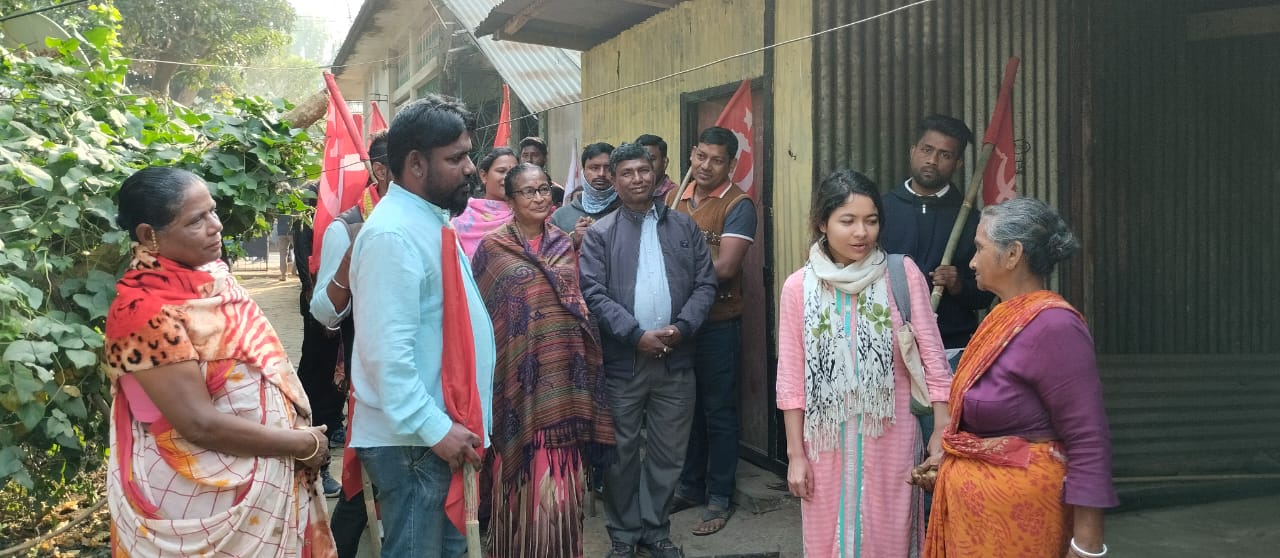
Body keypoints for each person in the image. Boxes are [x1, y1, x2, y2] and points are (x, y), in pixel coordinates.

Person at [104, 166, 337, 557]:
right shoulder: (142, 311)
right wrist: (300, 443)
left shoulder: (213, 279)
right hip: (195, 499)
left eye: (212, 211)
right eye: (196, 220)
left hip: (259, 480)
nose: (216, 226)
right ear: (148, 235)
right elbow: (198, 423)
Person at [925, 197, 1117, 558]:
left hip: (1022, 527)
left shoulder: (1054, 326)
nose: (971, 262)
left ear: (1013, 254)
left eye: (980, 248)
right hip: (980, 525)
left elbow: (1088, 439)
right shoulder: (1002, 318)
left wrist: (1087, 545)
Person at [347, 95, 496, 558]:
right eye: (456, 158)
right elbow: (386, 357)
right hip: (416, 443)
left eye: (469, 155)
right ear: (415, 164)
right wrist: (435, 429)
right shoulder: (392, 235)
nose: (470, 169)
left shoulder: (427, 221)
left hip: (433, 437)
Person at [776, 169, 952, 557]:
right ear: (822, 223)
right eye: (848, 221)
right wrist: (795, 455)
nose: (861, 233)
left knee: (889, 540)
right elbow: (790, 379)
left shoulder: (901, 275)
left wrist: (941, 427)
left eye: (871, 221)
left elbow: (934, 358)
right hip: (823, 444)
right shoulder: (798, 287)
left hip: (891, 436)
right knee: (828, 543)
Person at [472, 163, 618, 558]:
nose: (539, 198)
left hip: (564, 387)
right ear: (510, 199)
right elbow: (484, 319)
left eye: (543, 190)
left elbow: (577, 311)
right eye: (528, 191)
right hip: (514, 383)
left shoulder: (562, 245)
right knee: (520, 486)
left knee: (560, 491)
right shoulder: (492, 249)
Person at [579, 143, 718, 558]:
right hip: (625, 361)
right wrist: (634, 334)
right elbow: (593, 292)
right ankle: (623, 534)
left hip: (677, 360)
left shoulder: (684, 227)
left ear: (655, 173)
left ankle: (655, 530)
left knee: (668, 453)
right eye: (627, 173)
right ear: (614, 180)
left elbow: (706, 284)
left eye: (644, 170)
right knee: (621, 454)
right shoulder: (600, 234)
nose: (637, 178)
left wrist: (682, 328)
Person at [880, 115, 996, 518]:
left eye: (945, 155)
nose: (933, 160)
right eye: (927, 150)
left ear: (958, 163)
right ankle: (896, 527)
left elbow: (987, 293)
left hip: (951, 350)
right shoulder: (882, 209)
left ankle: (937, 528)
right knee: (893, 451)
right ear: (913, 151)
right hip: (890, 351)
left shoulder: (971, 218)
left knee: (943, 448)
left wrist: (961, 284)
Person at [665, 126, 756, 536]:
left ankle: (719, 496)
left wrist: (670, 276)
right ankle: (690, 486)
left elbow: (726, 267)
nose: (706, 166)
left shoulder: (739, 204)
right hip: (680, 326)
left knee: (718, 411)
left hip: (718, 323)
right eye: (701, 156)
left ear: (731, 164)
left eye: (717, 160)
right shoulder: (675, 198)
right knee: (687, 409)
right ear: (691, 155)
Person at [309, 130, 391, 558]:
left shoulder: (435, 217)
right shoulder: (349, 227)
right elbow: (323, 312)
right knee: (362, 477)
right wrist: (351, 257)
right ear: (381, 171)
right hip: (371, 376)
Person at [452, 147, 518, 256]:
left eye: (513, 172)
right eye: (501, 171)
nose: (508, 177)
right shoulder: (462, 216)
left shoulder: (525, 213)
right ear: (484, 176)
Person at [550, 142, 618, 249]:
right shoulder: (560, 217)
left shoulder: (629, 211)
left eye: (608, 168)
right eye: (594, 168)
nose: (601, 174)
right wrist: (574, 242)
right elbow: (548, 255)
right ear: (583, 171)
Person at [518, 136, 565, 205]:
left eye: (535, 155)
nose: (529, 160)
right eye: (525, 155)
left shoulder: (556, 191)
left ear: (545, 158)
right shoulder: (513, 188)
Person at [636, 133, 677, 200]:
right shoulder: (630, 192)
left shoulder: (676, 195)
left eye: (651, 159)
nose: (645, 164)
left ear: (664, 163)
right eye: (640, 159)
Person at [276, 213, 294, 280]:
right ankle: (295, 271)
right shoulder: (293, 207)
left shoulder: (278, 208)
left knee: (283, 255)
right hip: (292, 232)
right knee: (298, 252)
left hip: (281, 232)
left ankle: (283, 275)